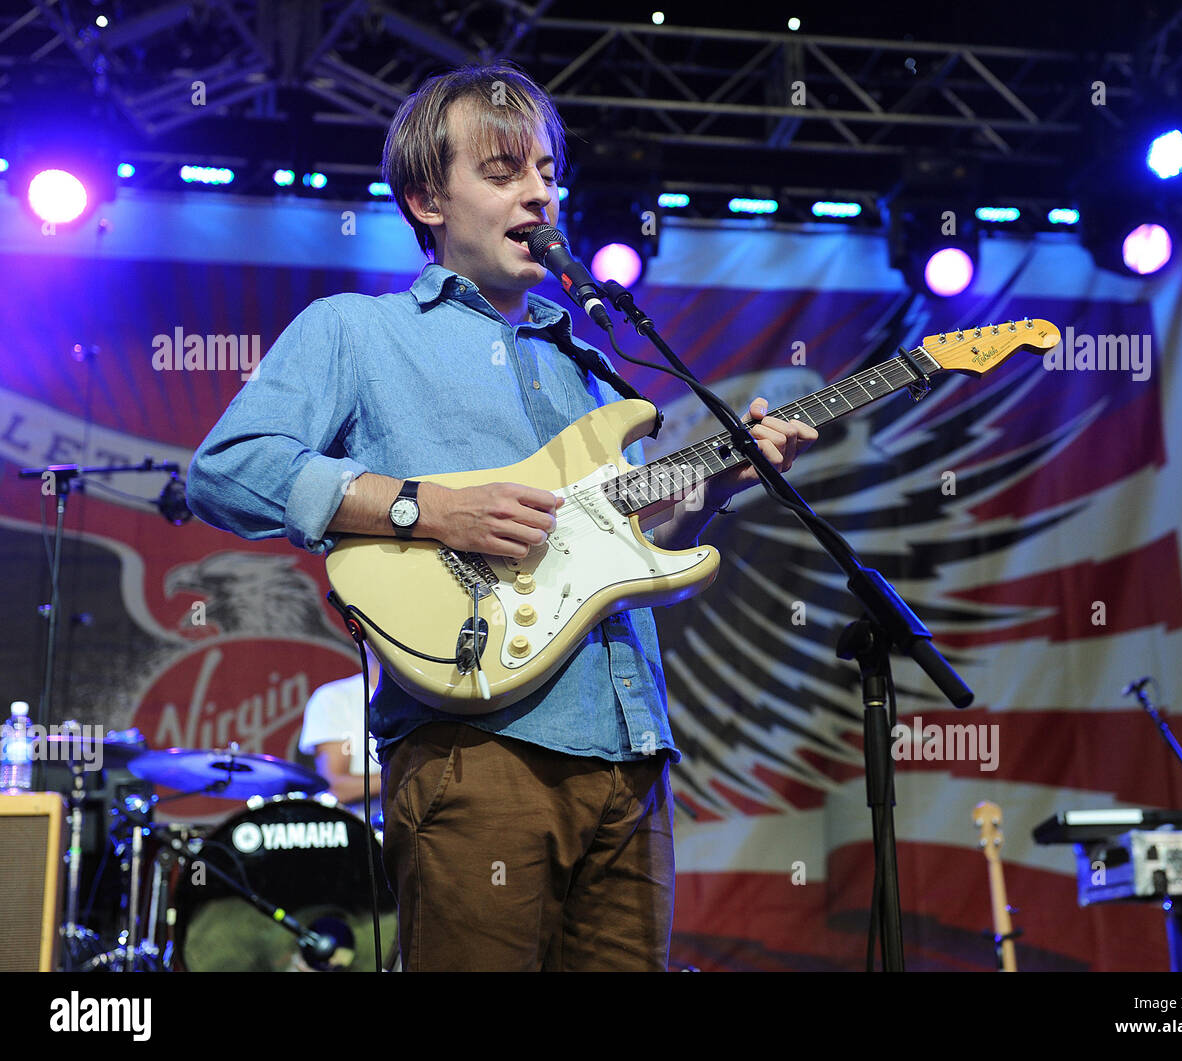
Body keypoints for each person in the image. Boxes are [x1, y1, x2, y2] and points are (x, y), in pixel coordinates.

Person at [186, 61, 817, 971]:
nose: (539, 195)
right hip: (478, 749)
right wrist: (429, 507)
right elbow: (229, 470)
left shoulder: (587, 363)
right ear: (426, 199)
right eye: (504, 172)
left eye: (550, 173)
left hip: (631, 751)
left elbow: (635, 548)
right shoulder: (358, 331)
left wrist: (718, 486)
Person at [297, 642, 381, 818]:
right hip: (360, 830)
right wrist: (407, 778)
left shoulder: (433, 699)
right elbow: (334, 785)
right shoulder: (334, 698)